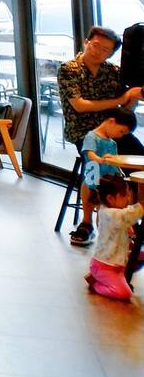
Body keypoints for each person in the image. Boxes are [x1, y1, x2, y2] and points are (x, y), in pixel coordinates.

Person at [57, 27, 144, 156]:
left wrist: (133, 97)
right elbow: (80, 106)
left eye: (105, 50)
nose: (97, 52)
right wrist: (122, 99)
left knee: (140, 159)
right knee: (109, 165)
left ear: (110, 54)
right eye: (95, 45)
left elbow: (126, 107)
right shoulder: (69, 69)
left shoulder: (113, 71)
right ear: (86, 42)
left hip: (113, 128)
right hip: (83, 131)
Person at [70, 108, 136, 248]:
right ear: (112, 121)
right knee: (90, 188)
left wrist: (117, 166)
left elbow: (114, 159)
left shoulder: (112, 143)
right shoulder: (92, 136)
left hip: (108, 177)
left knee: (107, 205)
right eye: (121, 131)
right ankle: (87, 222)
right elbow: (89, 153)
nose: (120, 135)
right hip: (94, 175)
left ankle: (107, 232)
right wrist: (99, 159)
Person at [84, 176, 143, 299]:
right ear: (110, 198)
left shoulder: (115, 210)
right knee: (125, 293)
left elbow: (128, 214)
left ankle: (116, 278)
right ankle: (96, 283)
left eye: (128, 195)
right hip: (105, 267)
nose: (128, 198)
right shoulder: (109, 214)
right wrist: (142, 205)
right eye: (124, 196)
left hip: (118, 264)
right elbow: (128, 215)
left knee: (140, 255)